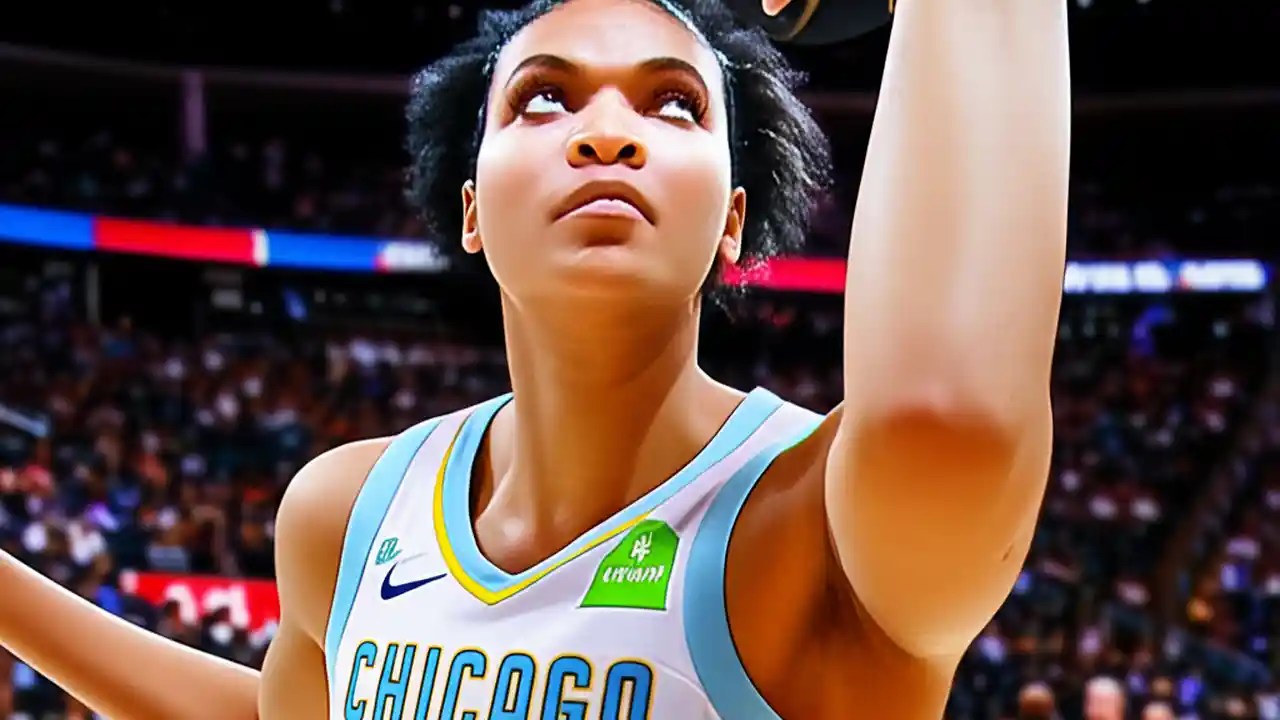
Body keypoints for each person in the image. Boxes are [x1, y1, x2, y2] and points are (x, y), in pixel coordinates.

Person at [0, 0, 1071, 716]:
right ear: (469, 207)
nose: (606, 133)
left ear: (733, 219)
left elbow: (947, 411)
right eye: (544, 96)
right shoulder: (344, 510)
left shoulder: (811, 528)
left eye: (673, 102)